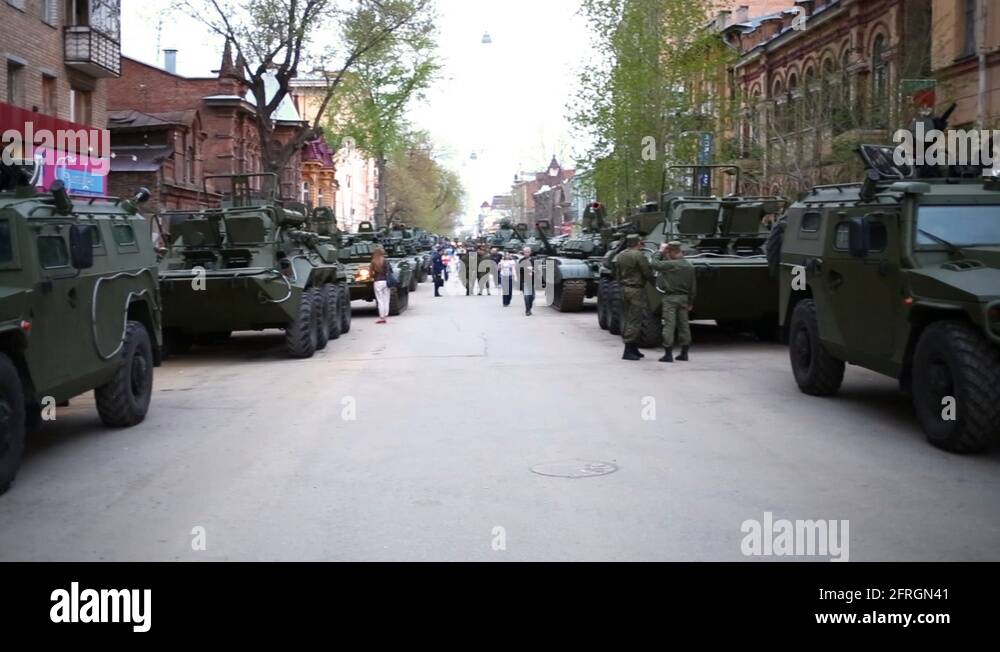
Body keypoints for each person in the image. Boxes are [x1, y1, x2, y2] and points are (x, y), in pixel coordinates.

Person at [651, 241, 697, 362]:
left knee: (669, 325)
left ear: (671, 251)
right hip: (684, 299)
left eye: (668, 251)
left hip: (670, 298)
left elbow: (654, 264)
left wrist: (660, 251)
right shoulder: (689, 266)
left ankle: (668, 354)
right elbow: (693, 287)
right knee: (684, 325)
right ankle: (684, 353)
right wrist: (690, 302)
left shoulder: (670, 265)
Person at [615, 234, 655, 361]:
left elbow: (616, 274)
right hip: (636, 290)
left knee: (628, 318)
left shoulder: (621, 255)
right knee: (635, 320)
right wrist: (655, 283)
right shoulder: (638, 255)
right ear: (638, 243)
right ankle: (628, 350)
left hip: (624, 289)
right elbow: (647, 272)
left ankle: (634, 348)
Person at [370, 247, 392, 324]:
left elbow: (370, 273)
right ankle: (385, 315)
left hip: (377, 282)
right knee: (386, 299)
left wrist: (373, 277)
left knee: (380, 300)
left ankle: (381, 317)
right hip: (386, 281)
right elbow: (389, 271)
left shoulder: (373, 262)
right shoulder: (386, 261)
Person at [518, 246, 537, 316]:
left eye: (528, 252)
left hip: (532, 281)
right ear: (523, 252)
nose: (526, 253)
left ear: (530, 252)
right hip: (524, 281)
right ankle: (527, 310)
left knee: (532, 296)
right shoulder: (521, 260)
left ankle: (529, 307)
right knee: (526, 296)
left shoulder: (533, 260)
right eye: (525, 252)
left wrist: (534, 271)